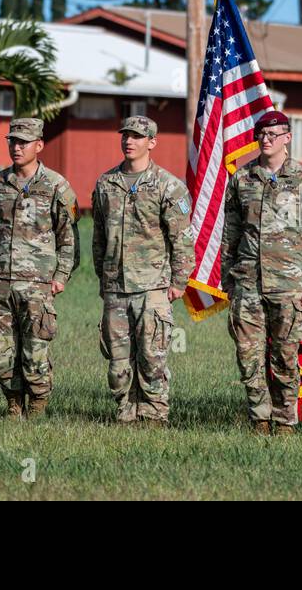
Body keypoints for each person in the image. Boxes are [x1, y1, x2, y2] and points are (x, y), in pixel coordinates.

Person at [220, 110, 302, 435]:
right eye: (262, 135)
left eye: (274, 134)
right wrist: (229, 278)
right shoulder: (242, 179)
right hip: (248, 282)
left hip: (290, 285)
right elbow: (231, 233)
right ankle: (259, 418)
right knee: (249, 356)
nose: (266, 140)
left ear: (287, 138)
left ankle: (284, 420)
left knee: (285, 355)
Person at [91, 116, 195, 425]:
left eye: (137, 136)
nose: (129, 141)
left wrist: (178, 281)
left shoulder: (168, 186)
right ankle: (125, 414)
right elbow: (98, 236)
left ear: (151, 142)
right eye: (125, 135)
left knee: (152, 357)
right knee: (118, 362)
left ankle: (153, 416)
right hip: (115, 287)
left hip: (153, 286)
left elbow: (182, 239)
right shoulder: (105, 183)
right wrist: (103, 277)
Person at [0, 118, 79, 419]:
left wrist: (60, 276)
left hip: (38, 285)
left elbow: (69, 237)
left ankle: (36, 405)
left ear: (39, 145)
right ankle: (13, 403)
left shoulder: (56, 186)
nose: (17, 147)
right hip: (0, 283)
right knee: (0, 352)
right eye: (13, 141)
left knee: (34, 351)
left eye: (24, 142)